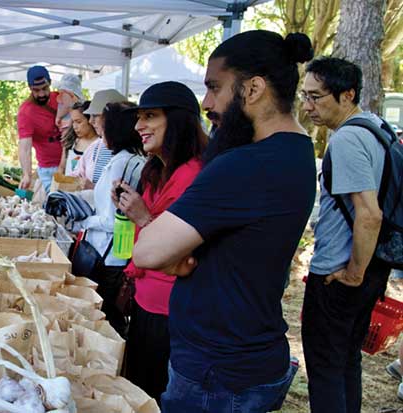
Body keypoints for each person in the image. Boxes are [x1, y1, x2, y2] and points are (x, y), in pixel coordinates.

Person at [132, 30, 316, 412]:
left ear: (253, 89)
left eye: (215, 88)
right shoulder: (298, 152)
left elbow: (147, 252)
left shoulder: (245, 165)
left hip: (217, 372)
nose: (206, 103)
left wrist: (174, 257)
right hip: (249, 357)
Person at [300, 56, 392, 413]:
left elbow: (369, 215)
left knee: (324, 369)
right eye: (305, 96)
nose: (308, 106)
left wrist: (351, 273)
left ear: (348, 95)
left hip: (341, 274)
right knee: (345, 362)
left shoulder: (348, 140)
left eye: (317, 97)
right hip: (370, 267)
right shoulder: (376, 127)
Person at [113, 81, 207, 402]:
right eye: (139, 117)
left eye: (150, 116)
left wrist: (142, 217)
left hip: (171, 312)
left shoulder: (193, 176)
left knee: (153, 395)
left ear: (179, 121)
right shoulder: (155, 170)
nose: (139, 126)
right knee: (137, 388)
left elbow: (181, 254)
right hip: (145, 301)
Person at [78, 101, 145, 336]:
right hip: (108, 254)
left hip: (108, 257)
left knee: (104, 319)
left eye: (102, 123)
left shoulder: (123, 164)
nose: (97, 127)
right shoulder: (124, 160)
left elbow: (111, 219)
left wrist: (82, 220)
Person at [17, 65, 63, 193]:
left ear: (50, 83)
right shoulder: (26, 112)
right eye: (36, 90)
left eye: (45, 88)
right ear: (30, 88)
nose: (42, 94)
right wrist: (27, 174)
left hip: (69, 164)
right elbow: (24, 147)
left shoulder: (61, 99)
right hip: (49, 169)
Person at [71, 89, 126, 189]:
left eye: (95, 116)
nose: (91, 121)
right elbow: (77, 174)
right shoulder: (95, 146)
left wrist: (94, 187)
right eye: (90, 116)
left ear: (112, 118)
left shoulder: (130, 153)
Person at [58, 101, 97, 176]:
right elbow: (62, 168)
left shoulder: (100, 143)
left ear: (90, 120)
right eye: (73, 122)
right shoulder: (70, 140)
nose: (75, 127)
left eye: (78, 122)